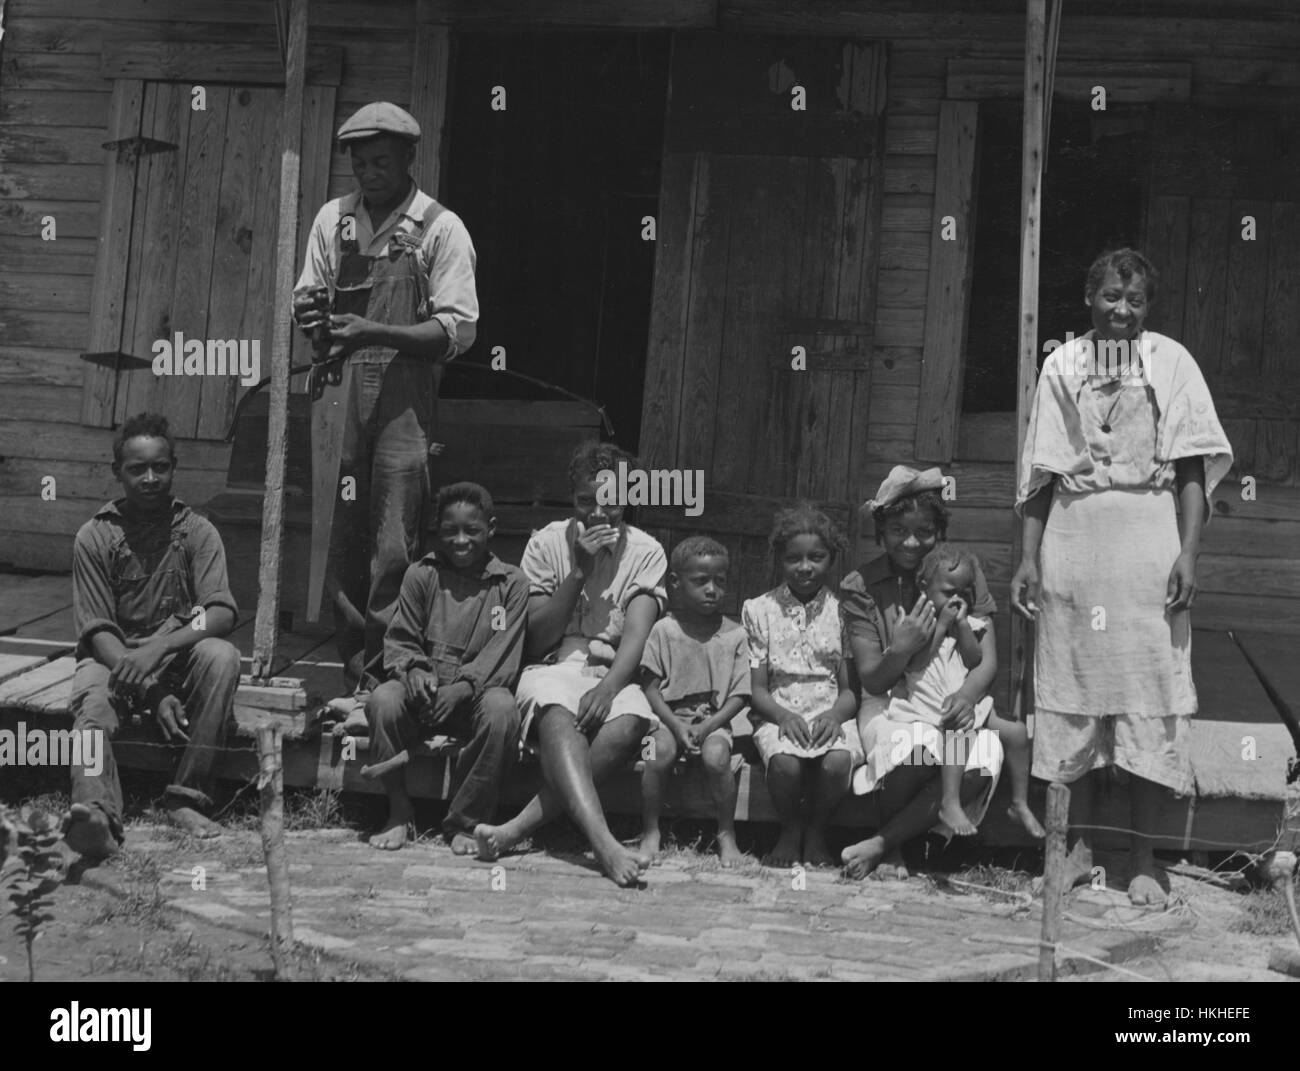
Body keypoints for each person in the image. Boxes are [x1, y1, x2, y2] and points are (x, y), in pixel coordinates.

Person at [1010, 248, 1232, 907]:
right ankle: (1069, 851)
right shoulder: (1063, 365)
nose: (1122, 311)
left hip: (1147, 544)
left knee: (1148, 701)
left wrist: (1188, 554)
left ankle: (1143, 857)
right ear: (1088, 296)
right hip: (1074, 541)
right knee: (1069, 693)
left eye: (1134, 300)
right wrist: (1027, 556)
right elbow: (1040, 474)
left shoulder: (1172, 362)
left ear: (1148, 307)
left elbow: (1192, 471)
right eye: (1111, 296)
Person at [292, 101, 478, 700]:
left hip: (402, 401)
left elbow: (455, 333)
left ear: (408, 158)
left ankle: (386, 665)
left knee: (394, 541)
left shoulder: (439, 229)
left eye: (380, 162)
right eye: (359, 163)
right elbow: (308, 301)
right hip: (338, 400)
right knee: (343, 531)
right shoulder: (333, 220)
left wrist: (373, 332)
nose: (368, 174)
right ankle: (353, 663)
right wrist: (311, 315)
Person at [473, 442, 666, 887]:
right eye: (585, 502)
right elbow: (537, 635)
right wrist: (578, 570)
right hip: (552, 664)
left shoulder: (646, 551)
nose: (599, 513)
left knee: (630, 722)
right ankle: (604, 844)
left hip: (613, 668)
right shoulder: (546, 543)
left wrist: (609, 687)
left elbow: (635, 637)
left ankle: (516, 828)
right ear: (572, 499)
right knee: (557, 712)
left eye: (612, 502)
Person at [63, 413, 241, 860]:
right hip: (113, 661)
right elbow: (98, 631)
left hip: (175, 654)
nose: (149, 478)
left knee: (221, 656)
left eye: (159, 467)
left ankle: (187, 796)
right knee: (92, 710)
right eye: (137, 469)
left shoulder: (197, 532)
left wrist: (163, 648)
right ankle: (96, 816)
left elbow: (218, 612)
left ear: (173, 467)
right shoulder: (95, 536)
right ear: (117, 472)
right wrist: (153, 687)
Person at [839, 466, 1005, 879]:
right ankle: (894, 847)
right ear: (880, 533)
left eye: (925, 531)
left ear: (940, 532)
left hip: (952, 693)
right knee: (915, 752)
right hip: (893, 699)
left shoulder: (961, 572)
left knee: (981, 761)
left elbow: (986, 659)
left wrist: (967, 697)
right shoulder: (862, 586)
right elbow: (873, 680)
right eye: (897, 530)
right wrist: (903, 649)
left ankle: (882, 843)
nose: (911, 542)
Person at [364, 482, 528, 853]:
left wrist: (464, 687)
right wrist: (414, 670)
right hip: (424, 697)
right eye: (449, 530)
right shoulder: (422, 576)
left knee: (503, 710)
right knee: (382, 701)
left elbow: (502, 647)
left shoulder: (509, 585)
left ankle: (466, 822)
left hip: (474, 699)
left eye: (472, 530)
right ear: (436, 529)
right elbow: (402, 636)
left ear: (492, 529)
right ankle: (398, 810)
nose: (460, 540)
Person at [883, 543, 1040, 837]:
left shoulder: (974, 622)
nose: (957, 599)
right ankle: (949, 802)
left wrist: (964, 627)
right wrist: (941, 626)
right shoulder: (914, 623)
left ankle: (1019, 803)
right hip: (929, 702)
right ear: (923, 585)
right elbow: (916, 662)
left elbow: (974, 659)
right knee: (957, 729)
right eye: (948, 592)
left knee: (1017, 733)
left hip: (966, 701)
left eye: (964, 593)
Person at [742, 505, 861, 869]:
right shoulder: (759, 609)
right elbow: (758, 689)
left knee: (838, 763)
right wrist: (782, 715)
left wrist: (834, 715)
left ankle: (817, 832)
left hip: (828, 710)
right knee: (785, 765)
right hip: (778, 709)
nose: (805, 567)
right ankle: (790, 830)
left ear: (832, 560)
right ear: (780, 559)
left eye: (816, 557)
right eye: (794, 558)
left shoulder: (844, 613)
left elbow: (849, 691)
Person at [639, 536, 750, 865]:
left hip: (713, 721)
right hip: (666, 719)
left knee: (717, 757)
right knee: (656, 752)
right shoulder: (664, 631)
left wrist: (709, 726)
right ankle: (649, 830)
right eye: (700, 581)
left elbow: (741, 694)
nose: (711, 590)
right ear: (675, 583)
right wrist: (674, 725)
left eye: (720, 582)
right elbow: (649, 688)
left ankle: (726, 835)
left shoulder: (735, 634)